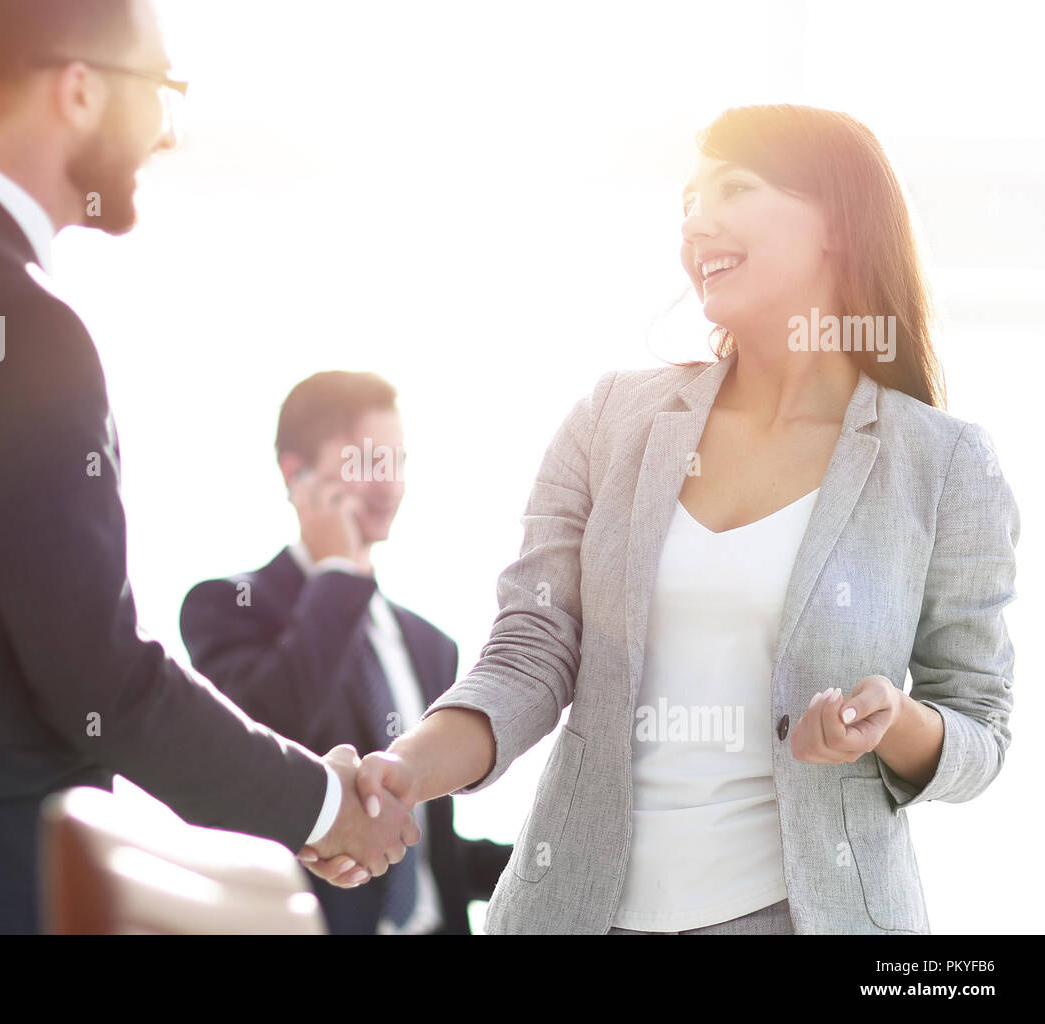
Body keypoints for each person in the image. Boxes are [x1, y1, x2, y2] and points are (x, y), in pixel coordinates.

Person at [0, 0, 414, 934]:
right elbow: (100, 683)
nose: (166, 134)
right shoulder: (22, 326)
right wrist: (324, 804)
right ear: (79, 89)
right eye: (159, 93)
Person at [305, 104, 1020, 934]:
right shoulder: (612, 419)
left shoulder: (943, 463)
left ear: (837, 222)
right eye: (687, 202)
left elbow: (978, 724)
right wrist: (399, 772)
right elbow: (528, 657)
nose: (696, 223)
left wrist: (893, 724)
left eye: (734, 189)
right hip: (577, 910)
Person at [180, 371, 512, 933]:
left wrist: (550, 858)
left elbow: (426, 837)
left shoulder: (431, 644)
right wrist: (339, 574)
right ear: (296, 473)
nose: (388, 485)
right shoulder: (225, 606)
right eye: (367, 462)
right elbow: (263, 736)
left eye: (398, 462)